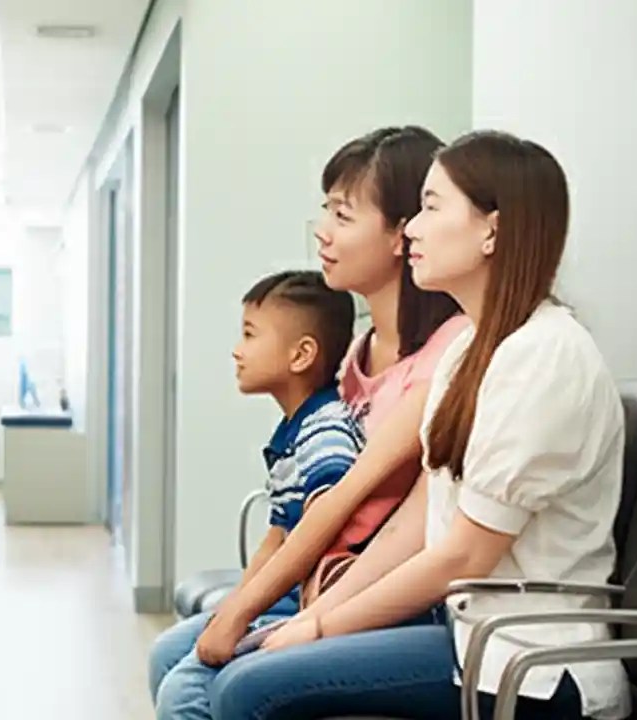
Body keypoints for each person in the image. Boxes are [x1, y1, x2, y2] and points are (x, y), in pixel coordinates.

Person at [209, 131, 630, 720]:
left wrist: (324, 625)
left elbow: (463, 557)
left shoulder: (544, 356)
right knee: (244, 670)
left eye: (432, 208)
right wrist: (312, 620)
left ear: (492, 230)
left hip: (524, 661)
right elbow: (418, 527)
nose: (411, 229)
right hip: (461, 632)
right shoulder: (471, 350)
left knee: (249, 689)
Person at [151, 126, 468, 716]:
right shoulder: (355, 358)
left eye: (343, 216)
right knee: (170, 655)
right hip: (322, 584)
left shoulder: (449, 357)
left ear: (403, 234)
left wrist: (260, 613)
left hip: (380, 596)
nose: (322, 232)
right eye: (326, 212)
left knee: (195, 686)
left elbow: (358, 508)